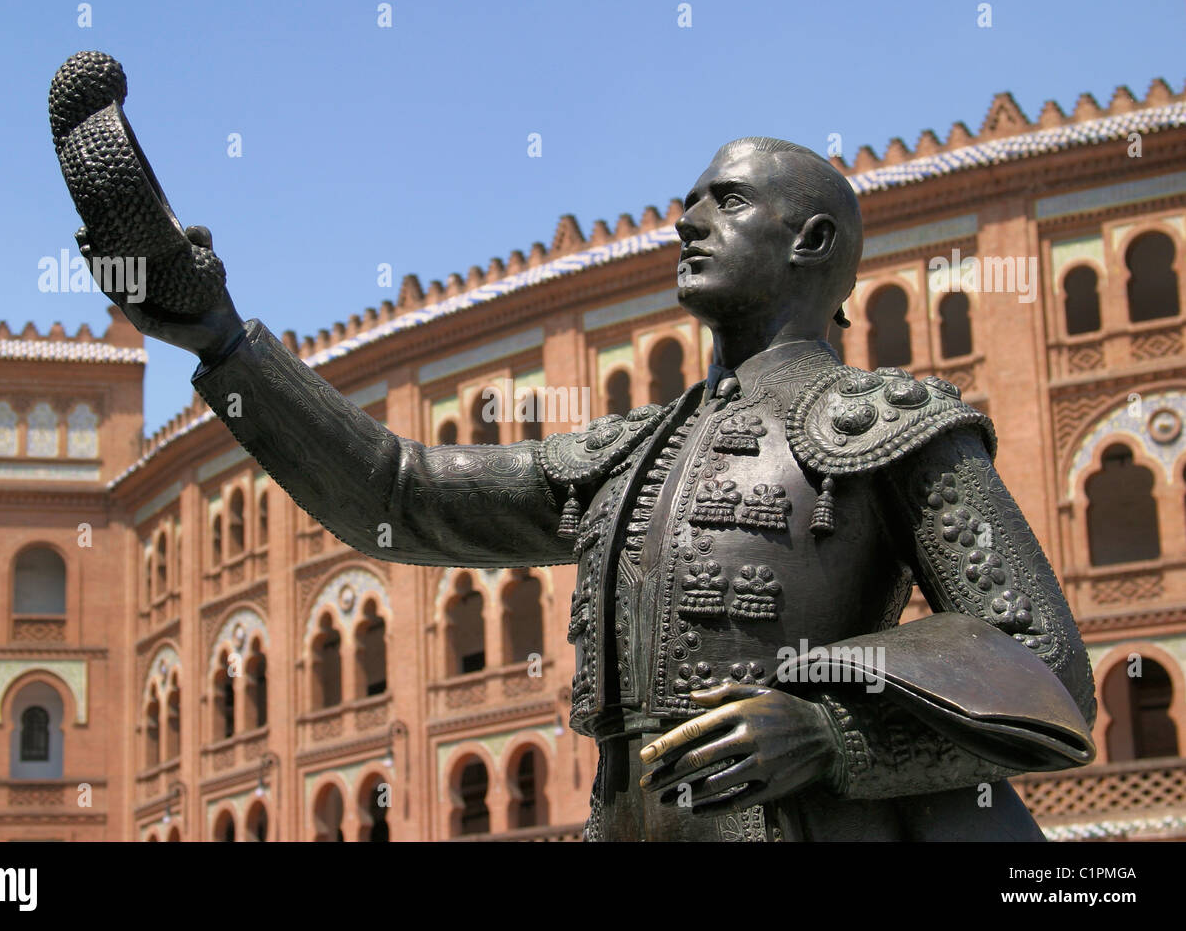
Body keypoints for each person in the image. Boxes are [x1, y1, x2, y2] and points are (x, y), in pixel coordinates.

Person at [71, 123, 1096, 840]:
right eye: (688, 200)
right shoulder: (626, 454)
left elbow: (1044, 665)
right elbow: (396, 491)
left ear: (811, 240)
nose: (684, 219)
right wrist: (223, 342)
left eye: (725, 201)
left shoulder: (891, 426)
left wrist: (830, 730)